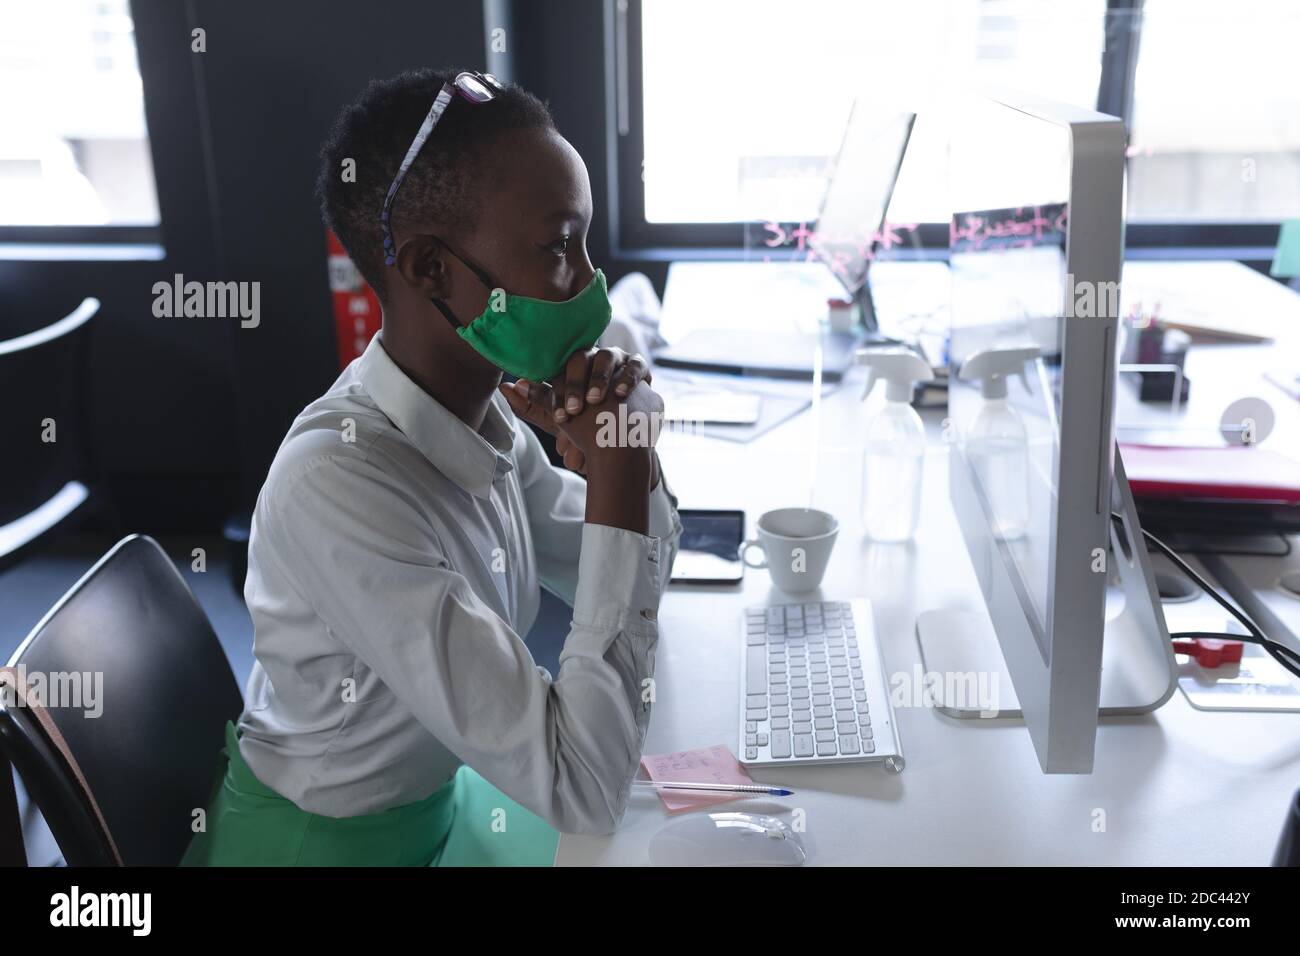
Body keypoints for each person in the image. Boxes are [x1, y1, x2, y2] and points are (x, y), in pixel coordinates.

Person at [183, 67, 680, 866]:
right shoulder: (338, 484)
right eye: (558, 246)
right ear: (430, 270)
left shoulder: (480, 413)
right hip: (327, 847)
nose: (589, 283)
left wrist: (630, 466)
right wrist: (615, 477)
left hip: (440, 802)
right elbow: (585, 787)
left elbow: (633, 569)